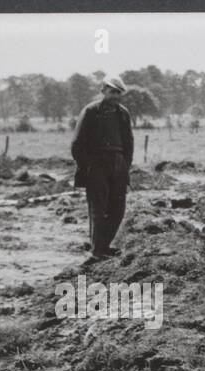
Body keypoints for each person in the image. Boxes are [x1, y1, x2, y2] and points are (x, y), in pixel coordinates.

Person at [70, 76, 133, 260]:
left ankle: (104, 246)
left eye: (118, 93)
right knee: (98, 209)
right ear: (103, 90)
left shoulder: (123, 113)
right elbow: (77, 144)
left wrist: (124, 166)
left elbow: (129, 143)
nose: (115, 95)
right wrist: (87, 167)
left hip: (118, 164)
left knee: (118, 209)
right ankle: (97, 252)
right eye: (112, 91)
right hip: (96, 165)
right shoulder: (90, 111)